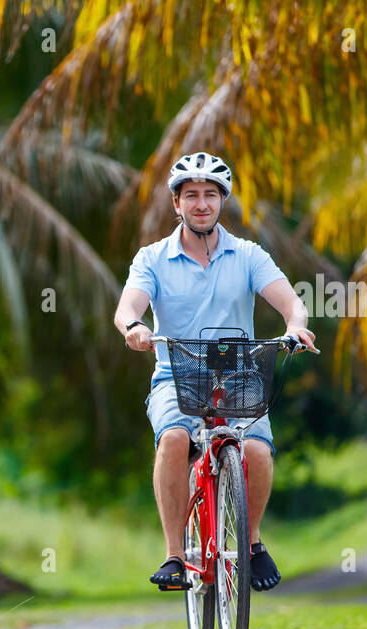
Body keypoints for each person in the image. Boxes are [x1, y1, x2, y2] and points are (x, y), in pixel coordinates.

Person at [111, 152, 317, 592]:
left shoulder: (247, 255)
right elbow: (128, 305)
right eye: (191, 196)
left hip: (237, 377)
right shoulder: (152, 258)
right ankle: (173, 556)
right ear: (176, 204)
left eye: (210, 195)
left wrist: (295, 326)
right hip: (174, 376)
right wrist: (134, 327)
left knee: (258, 451)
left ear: (222, 200)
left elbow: (290, 301)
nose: (201, 204)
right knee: (173, 438)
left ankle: (253, 541)